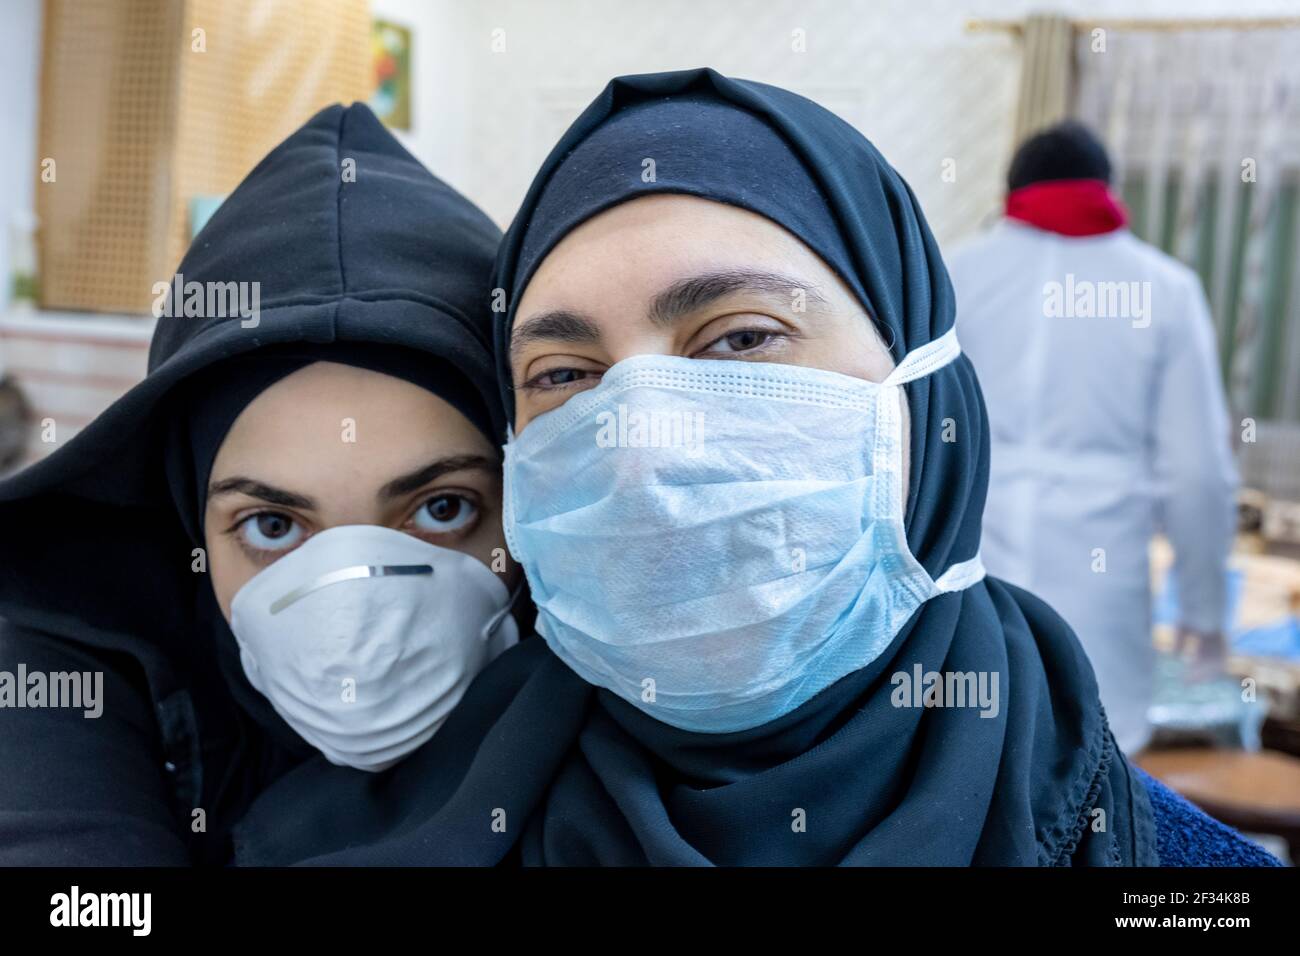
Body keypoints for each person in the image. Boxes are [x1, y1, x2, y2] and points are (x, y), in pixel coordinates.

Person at [232, 70, 1276, 866]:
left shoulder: (1163, 865)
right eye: (563, 372)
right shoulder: (374, 831)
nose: (640, 446)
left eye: (739, 340)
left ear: (923, 395)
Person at [0, 103, 521, 864]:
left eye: (442, 509)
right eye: (273, 524)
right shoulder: (70, 654)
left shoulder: (607, 666)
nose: (356, 613)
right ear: (189, 521)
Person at [945, 121, 1239, 756]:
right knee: (1094, 770)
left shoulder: (956, 273)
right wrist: (1206, 611)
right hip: (1101, 585)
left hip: (966, 571)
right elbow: (1199, 473)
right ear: (1107, 187)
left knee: (967, 761)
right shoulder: (1166, 288)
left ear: (1009, 190)